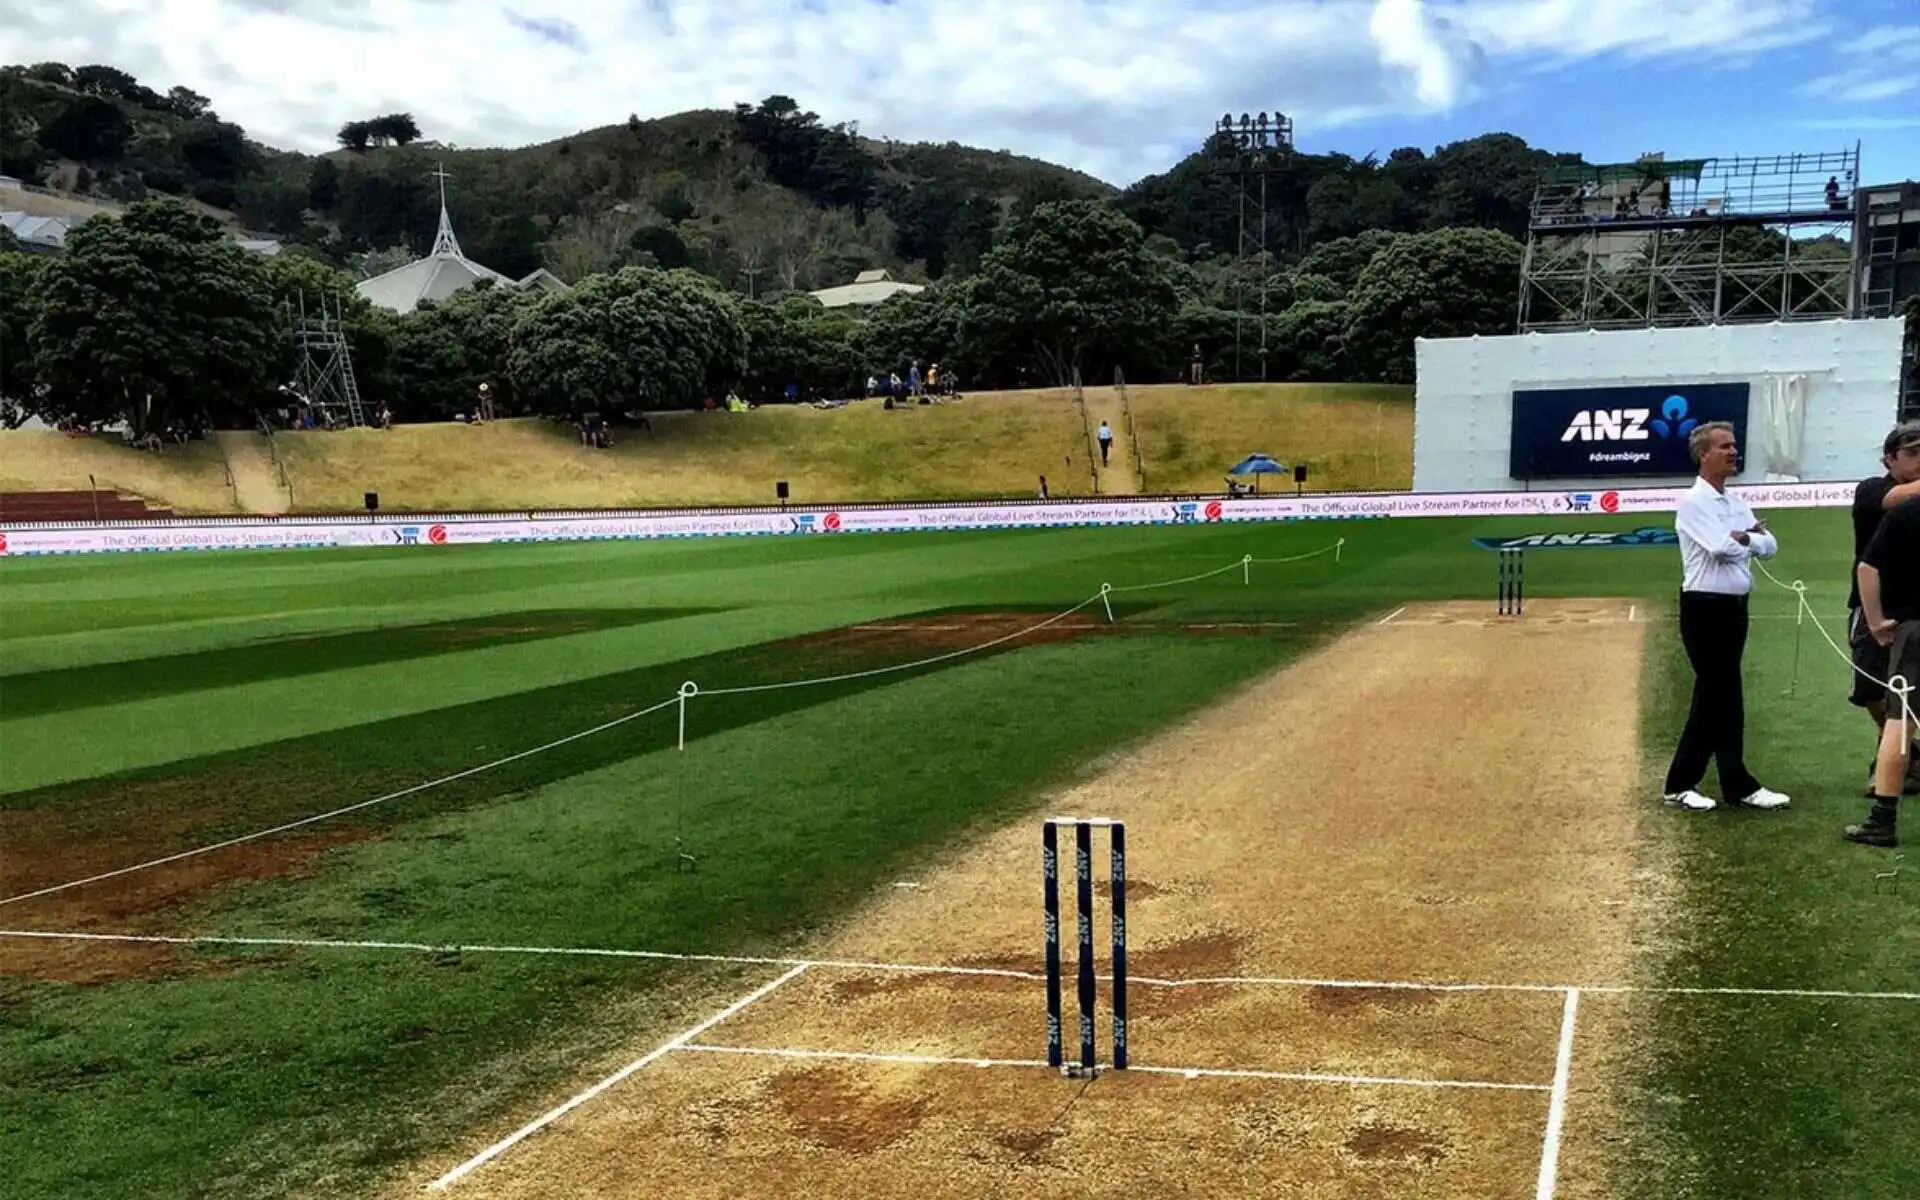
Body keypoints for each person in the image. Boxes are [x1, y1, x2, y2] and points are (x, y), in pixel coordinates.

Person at [1662, 421, 1792, 814]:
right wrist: (1744, 537)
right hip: (1705, 607)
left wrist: (1746, 536)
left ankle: (1724, 782)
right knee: (1717, 698)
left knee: (1721, 696)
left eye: (1734, 446)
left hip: (1734, 609)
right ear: (1704, 454)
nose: (1734, 452)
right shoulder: (1694, 503)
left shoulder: (1735, 503)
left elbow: (1770, 546)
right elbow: (1720, 548)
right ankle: (1694, 783)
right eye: (1725, 446)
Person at [1847, 422, 1920, 797]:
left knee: (1906, 689)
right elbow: (1894, 500)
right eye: (1913, 453)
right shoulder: (1872, 489)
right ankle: (1894, 742)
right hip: (1870, 603)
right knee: (1867, 688)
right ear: (1889, 457)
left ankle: (1895, 757)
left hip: (1912, 608)